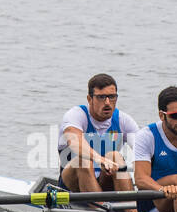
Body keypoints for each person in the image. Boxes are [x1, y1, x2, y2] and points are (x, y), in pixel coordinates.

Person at [57, 74, 141, 202]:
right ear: (89, 99)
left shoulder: (124, 120)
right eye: (101, 97)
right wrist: (99, 159)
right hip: (72, 185)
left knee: (115, 157)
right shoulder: (76, 115)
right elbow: (75, 141)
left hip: (104, 182)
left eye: (112, 97)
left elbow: (144, 152)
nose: (107, 102)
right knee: (82, 160)